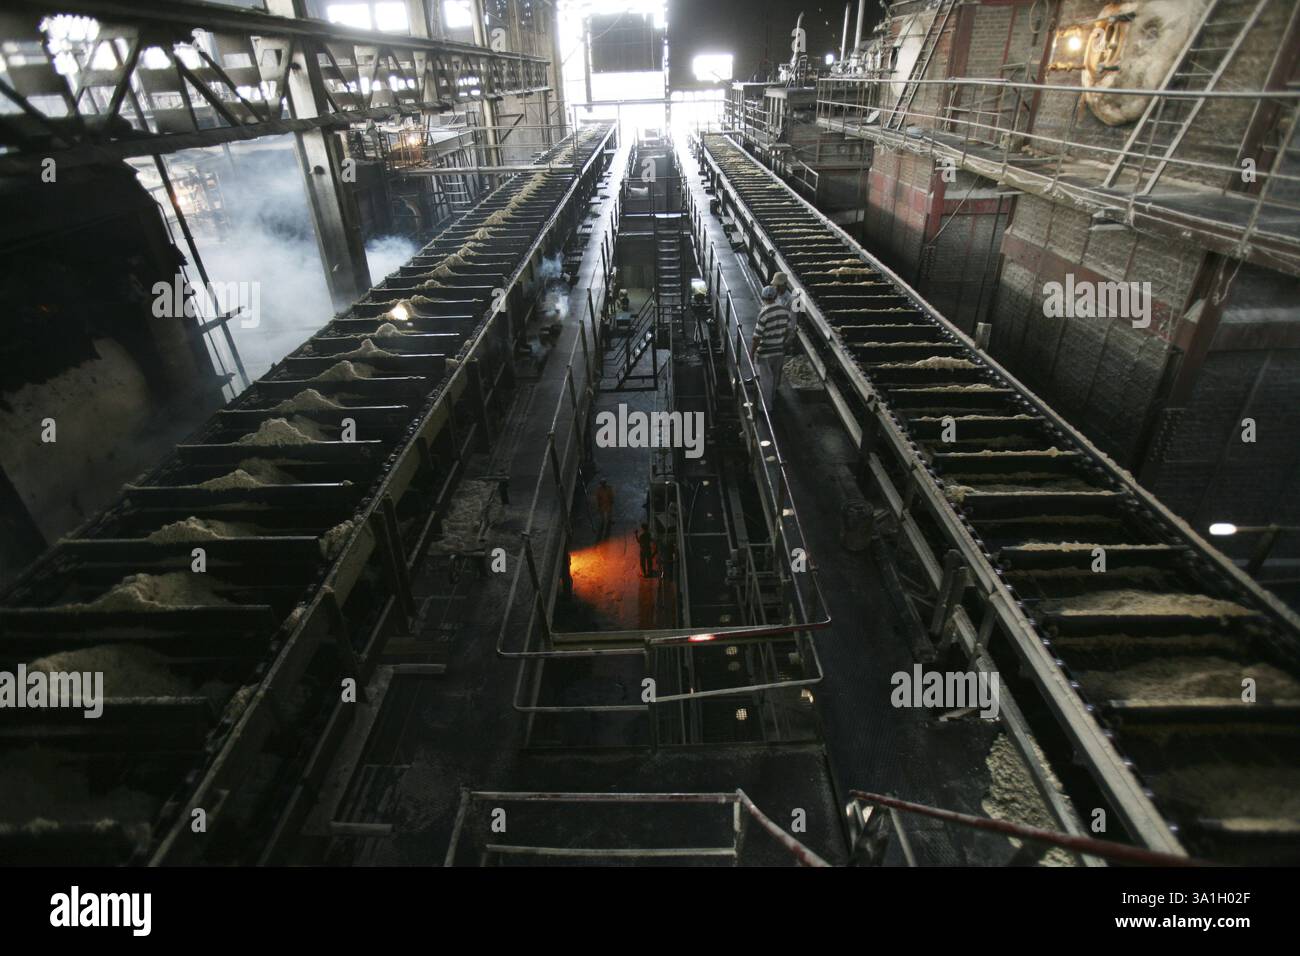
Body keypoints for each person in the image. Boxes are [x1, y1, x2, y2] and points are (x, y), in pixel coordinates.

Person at [751, 285, 794, 409]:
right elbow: (788, 329)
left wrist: (752, 352)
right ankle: (773, 398)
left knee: (766, 381)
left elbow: (756, 337)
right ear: (775, 296)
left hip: (765, 352)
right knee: (775, 378)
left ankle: (764, 408)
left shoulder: (764, 313)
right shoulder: (785, 311)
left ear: (763, 297)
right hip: (779, 351)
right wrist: (781, 342)